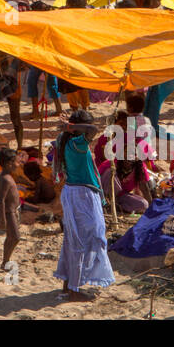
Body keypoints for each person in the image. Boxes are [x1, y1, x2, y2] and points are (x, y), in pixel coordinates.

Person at [53, 110, 114, 302]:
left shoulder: (64, 141)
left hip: (74, 192)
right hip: (82, 195)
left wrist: (69, 128)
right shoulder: (76, 143)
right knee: (91, 238)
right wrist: (72, 127)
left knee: (74, 239)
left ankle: (69, 284)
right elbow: (93, 129)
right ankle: (74, 289)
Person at [0, 147, 22, 270]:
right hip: (9, 212)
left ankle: (5, 261)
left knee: (11, 237)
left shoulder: (8, 176)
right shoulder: (5, 179)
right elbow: (1, 200)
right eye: (16, 162)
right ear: (9, 164)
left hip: (13, 211)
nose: (18, 165)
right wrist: (2, 219)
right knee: (16, 237)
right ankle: (5, 261)